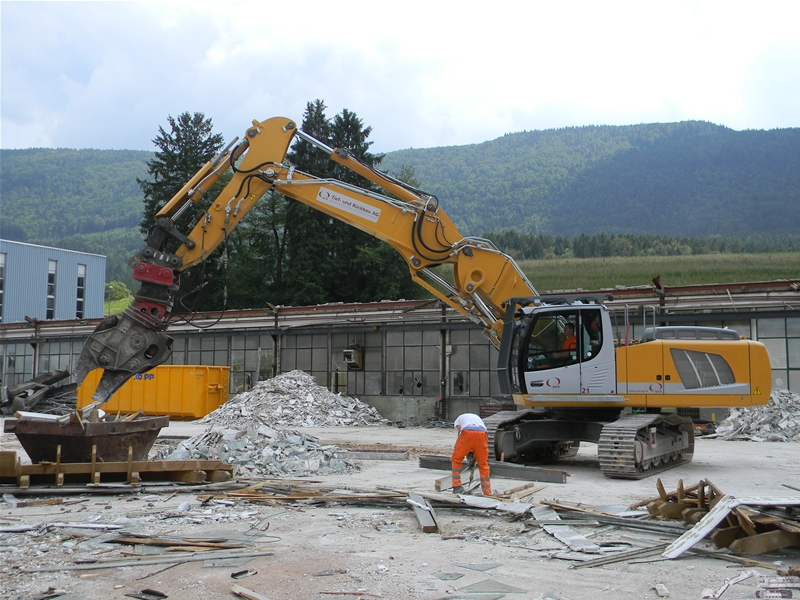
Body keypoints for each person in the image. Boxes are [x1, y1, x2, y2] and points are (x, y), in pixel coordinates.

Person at [451, 413, 492, 495]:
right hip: (482, 434)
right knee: (483, 464)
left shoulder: (458, 422)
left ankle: (456, 486)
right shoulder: (476, 418)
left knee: (456, 459)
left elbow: (461, 433)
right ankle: (487, 492)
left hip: (467, 433)